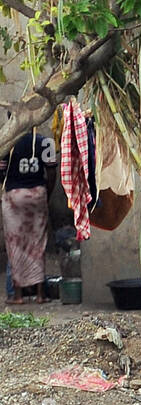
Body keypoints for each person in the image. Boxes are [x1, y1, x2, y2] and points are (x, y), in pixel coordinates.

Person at [2, 127, 56, 304]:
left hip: (14, 195)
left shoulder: (7, 142)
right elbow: (51, 172)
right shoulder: (45, 142)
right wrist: (45, 195)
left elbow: (1, 172)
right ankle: (40, 295)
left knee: (14, 245)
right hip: (37, 194)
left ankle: (18, 295)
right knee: (38, 244)